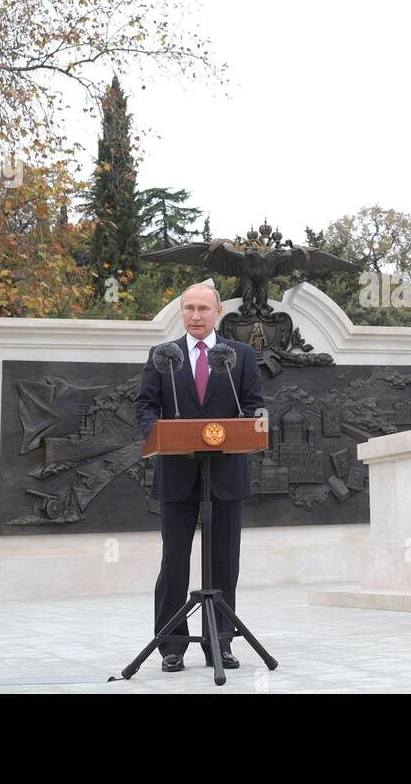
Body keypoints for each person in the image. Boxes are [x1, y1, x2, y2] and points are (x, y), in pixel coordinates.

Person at [135, 283, 265, 673]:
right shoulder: (163, 356)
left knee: (225, 563)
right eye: (189, 308)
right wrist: (157, 434)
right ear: (181, 311)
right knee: (174, 563)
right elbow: (144, 405)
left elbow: (255, 404)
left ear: (218, 312)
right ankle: (171, 645)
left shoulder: (240, 356)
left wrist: (253, 423)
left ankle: (220, 643)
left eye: (203, 308)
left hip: (225, 476)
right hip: (176, 476)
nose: (195, 315)